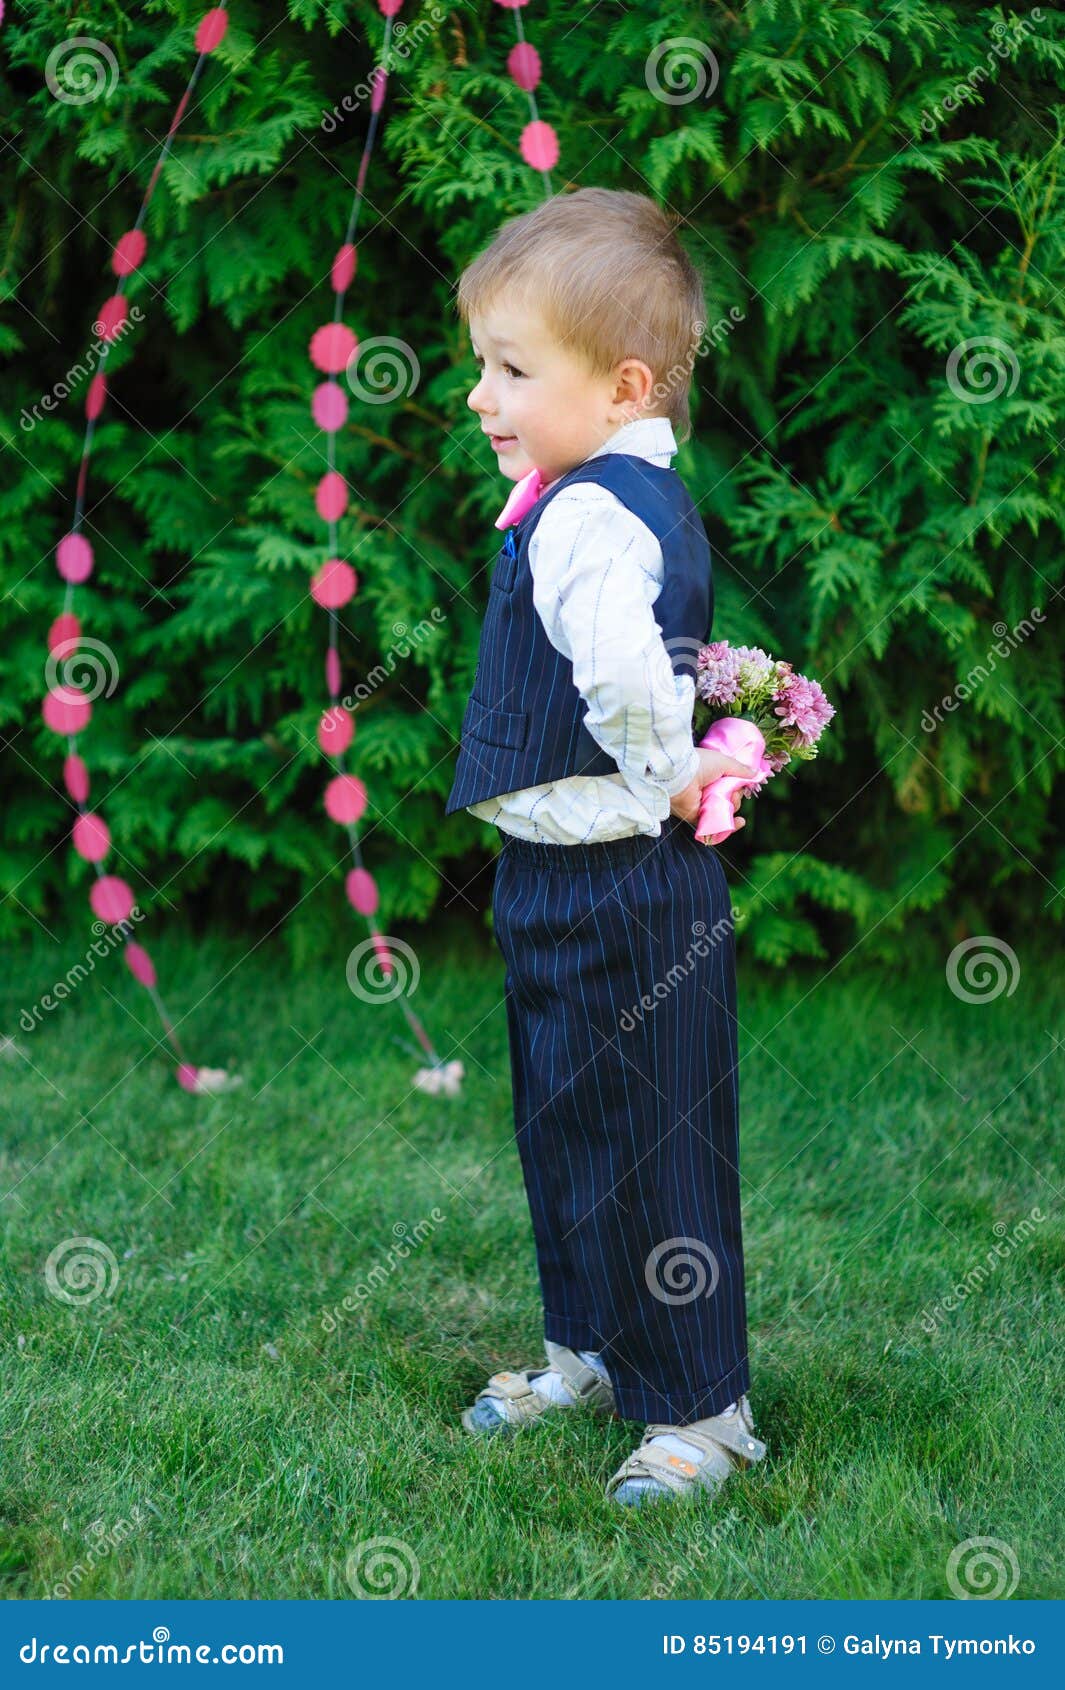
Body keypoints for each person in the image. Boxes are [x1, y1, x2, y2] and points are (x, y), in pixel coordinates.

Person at [444, 187, 765, 1506]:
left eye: (512, 370)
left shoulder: (590, 511)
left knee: (649, 1137)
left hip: (624, 882)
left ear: (623, 381)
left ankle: (701, 1408)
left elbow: (630, 682)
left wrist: (678, 763)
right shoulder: (580, 491)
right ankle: (587, 1346)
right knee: (567, 1121)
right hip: (553, 877)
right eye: (480, 364)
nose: (481, 396)